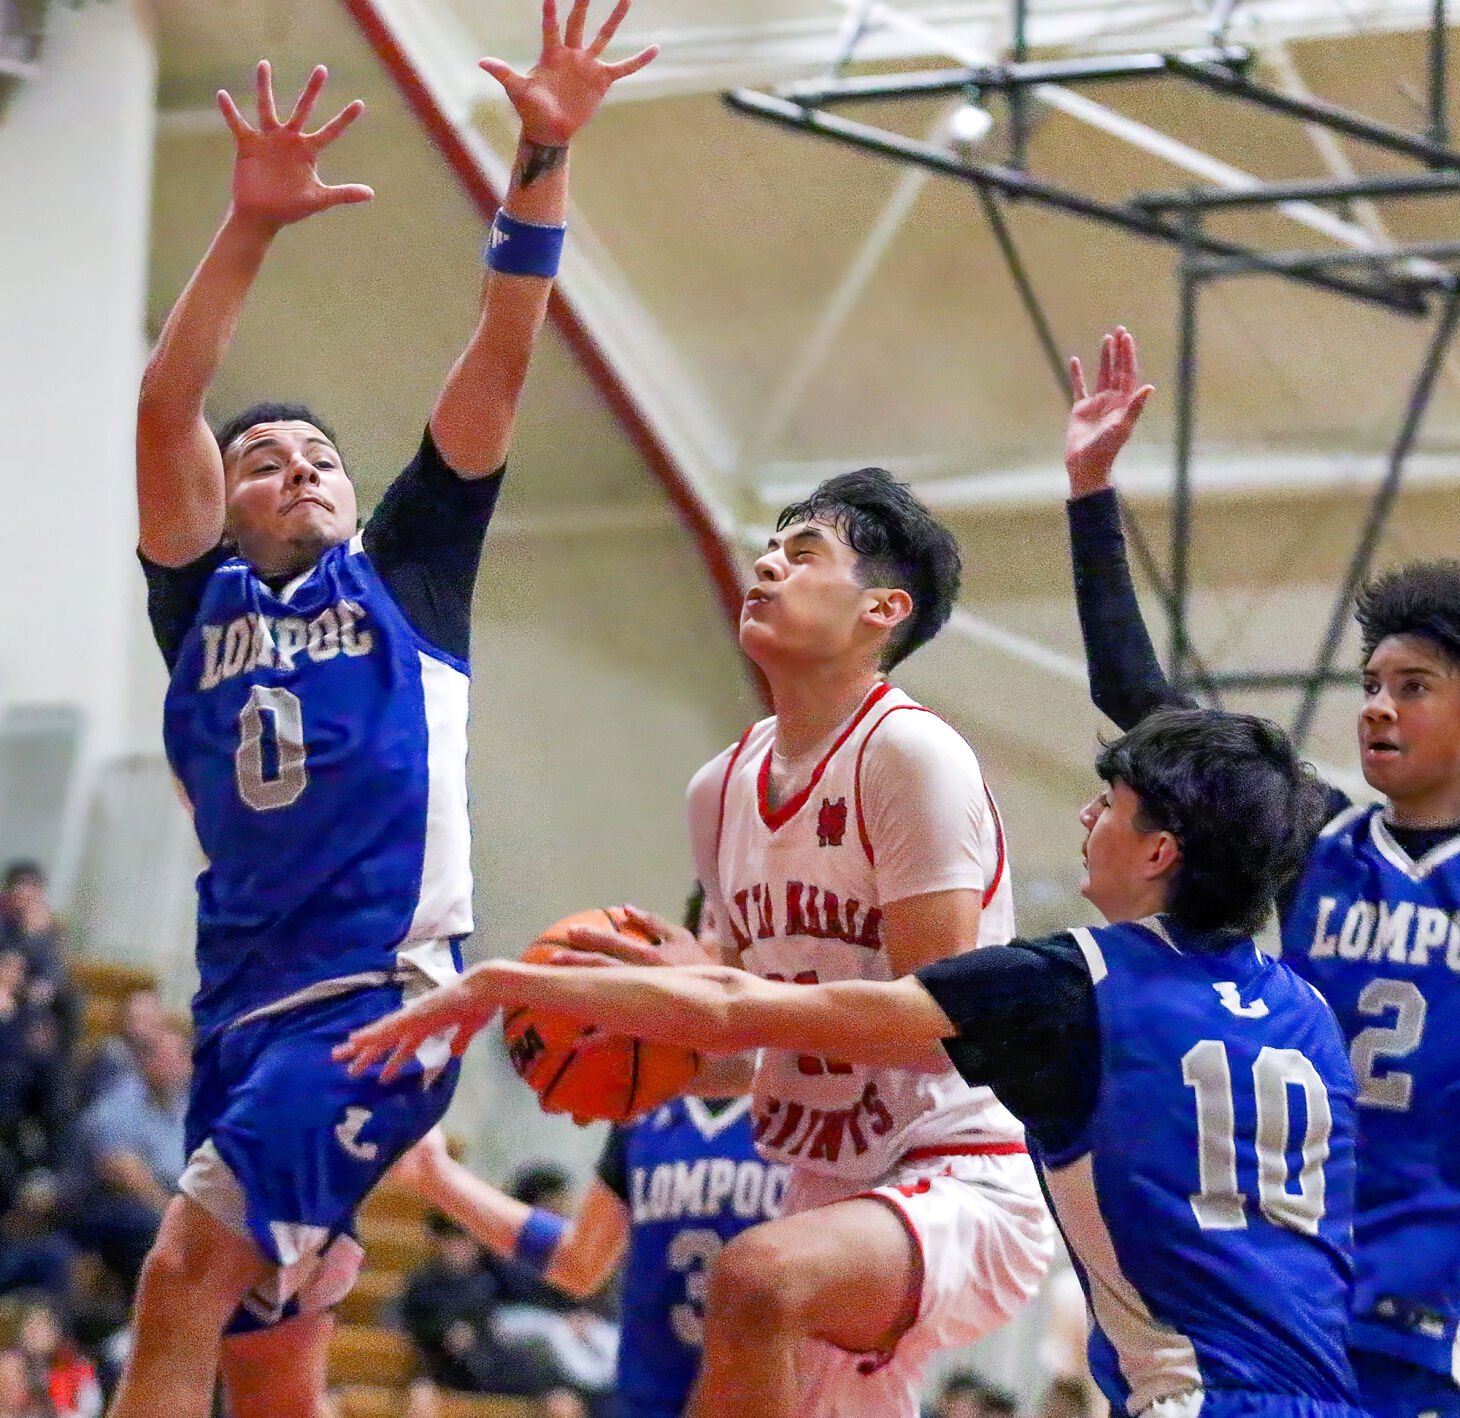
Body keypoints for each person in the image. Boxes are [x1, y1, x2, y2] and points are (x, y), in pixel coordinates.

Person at [119, 5, 657, 1416]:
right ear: (221, 509)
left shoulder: (408, 573)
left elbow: (506, 341)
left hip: (379, 1005)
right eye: (262, 458)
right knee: (275, 1356)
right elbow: (167, 396)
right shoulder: (197, 609)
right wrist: (245, 229)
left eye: (318, 455)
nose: (296, 465)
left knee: (179, 1275)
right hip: (239, 1014)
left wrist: (542, 148)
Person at [341, 706, 1363, 1418]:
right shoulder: (1309, 1015)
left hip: (1194, 1390)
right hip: (1328, 1386)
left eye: (1111, 803)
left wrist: (504, 984)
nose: (1086, 817)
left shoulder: (1074, 984)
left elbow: (749, 1005)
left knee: (763, 1271)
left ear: (1160, 850)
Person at [352, 467, 1056, 1416]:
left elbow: (933, 1026)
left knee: (755, 1278)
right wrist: (630, 1056)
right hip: (824, 1186)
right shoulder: (720, 789)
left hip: (959, 1172)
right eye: (771, 545)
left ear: (882, 609)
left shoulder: (910, 755)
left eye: (804, 554)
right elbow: (738, 1047)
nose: (767, 562)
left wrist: (519, 984)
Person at [1060, 326, 1460, 1418]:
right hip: (1286, 1286)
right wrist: (1090, 495)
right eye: (1371, 681)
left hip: (1431, 1300)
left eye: (1413, 684)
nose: (1377, 704)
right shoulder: (1312, 839)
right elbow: (1135, 693)